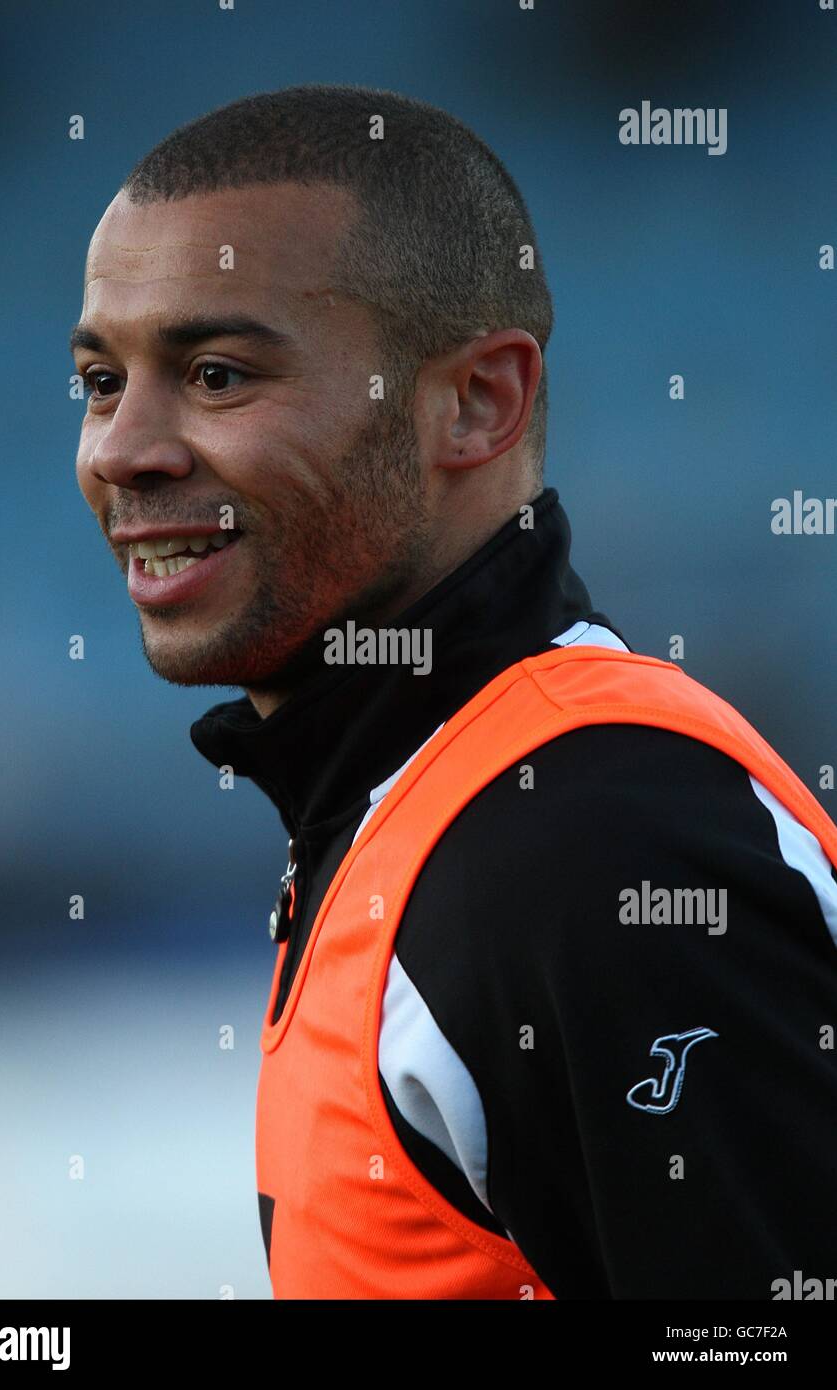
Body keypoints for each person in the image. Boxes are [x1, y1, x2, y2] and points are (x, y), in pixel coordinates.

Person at [72, 84, 837, 1299]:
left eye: (215, 374)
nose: (120, 449)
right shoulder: (413, 802)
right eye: (101, 381)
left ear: (478, 402)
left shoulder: (594, 840)